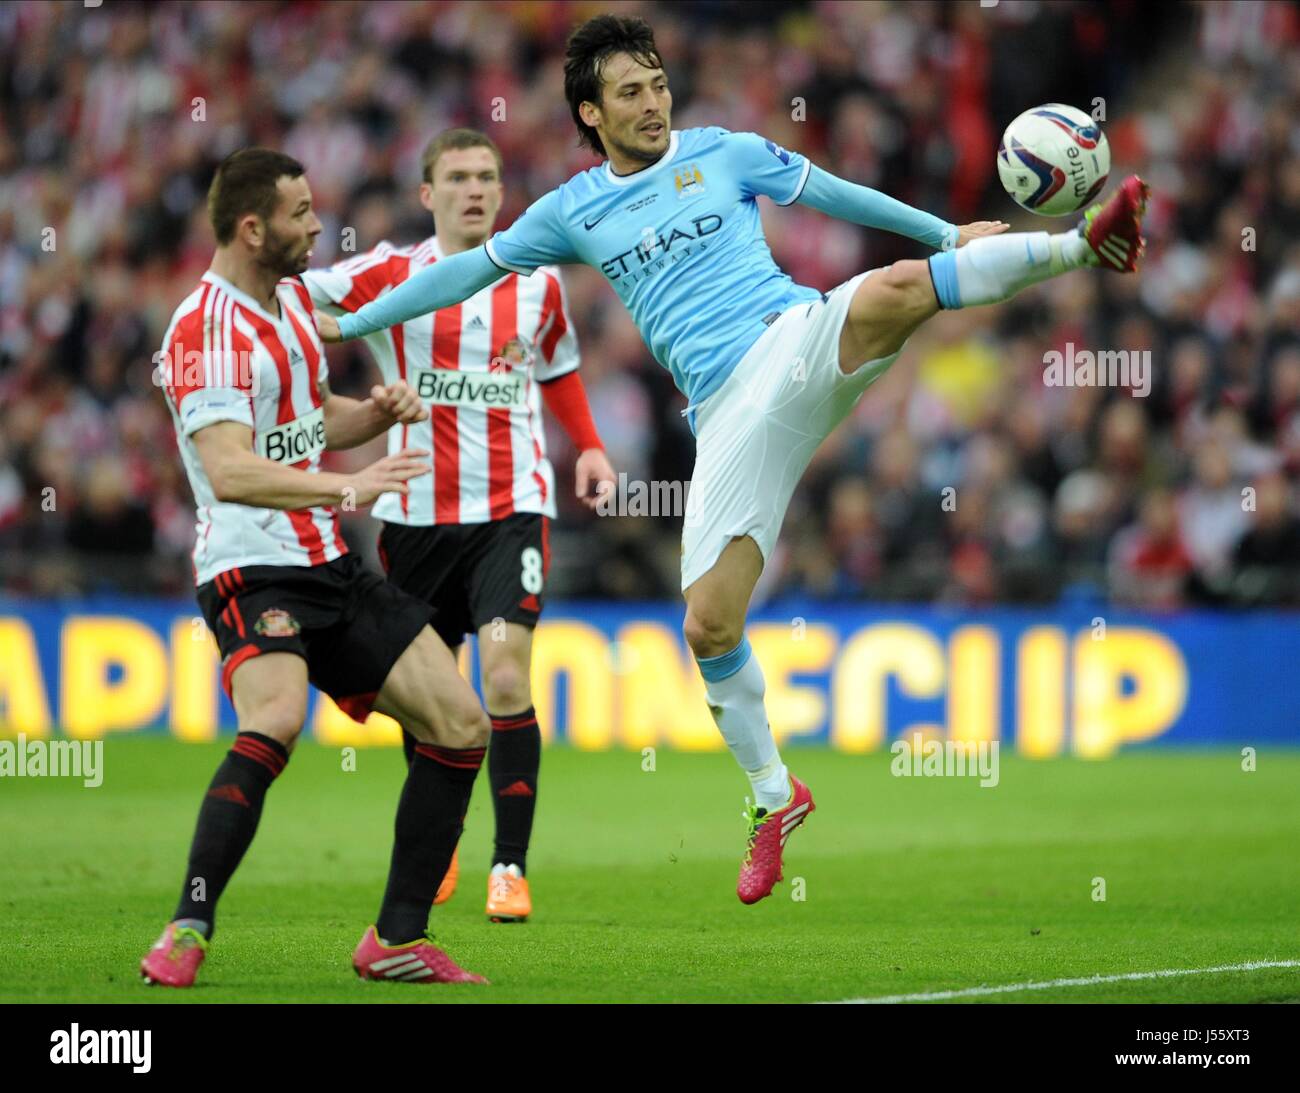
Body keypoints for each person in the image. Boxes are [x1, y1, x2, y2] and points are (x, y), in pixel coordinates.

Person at [314, 14, 1149, 905]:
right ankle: (773, 796)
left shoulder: (726, 151)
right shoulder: (571, 209)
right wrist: (359, 320)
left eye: (659, 83)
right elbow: (466, 272)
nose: (652, 103)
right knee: (709, 625)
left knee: (901, 285)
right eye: (629, 92)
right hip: (728, 417)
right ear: (591, 113)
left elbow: (838, 196)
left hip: (791, 337)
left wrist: (945, 233)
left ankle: (1084, 243)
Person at [141, 148, 491, 987]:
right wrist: (350, 486)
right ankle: (188, 925)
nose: (315, 226)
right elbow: (228, 466)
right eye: (301, 213)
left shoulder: (294, 300)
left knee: (460, 724)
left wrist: (372, 415)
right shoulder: (203, 329)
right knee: (276, 718)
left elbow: (308, 420)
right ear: (253, 226)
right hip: (251, 565)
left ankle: (395, 939)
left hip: (330, 564)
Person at [302, 128, 614, 923]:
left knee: (505, 676)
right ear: (427, 194)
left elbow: (558, 368)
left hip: (512, 509)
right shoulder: (387, 272)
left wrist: (593, 449)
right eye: (459, 178)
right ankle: (437, 848)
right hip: (412, 517)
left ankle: (508, 867)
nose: (476, 190)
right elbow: (298, 297)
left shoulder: (539, 282)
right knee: (432, 696)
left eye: (488, 177)